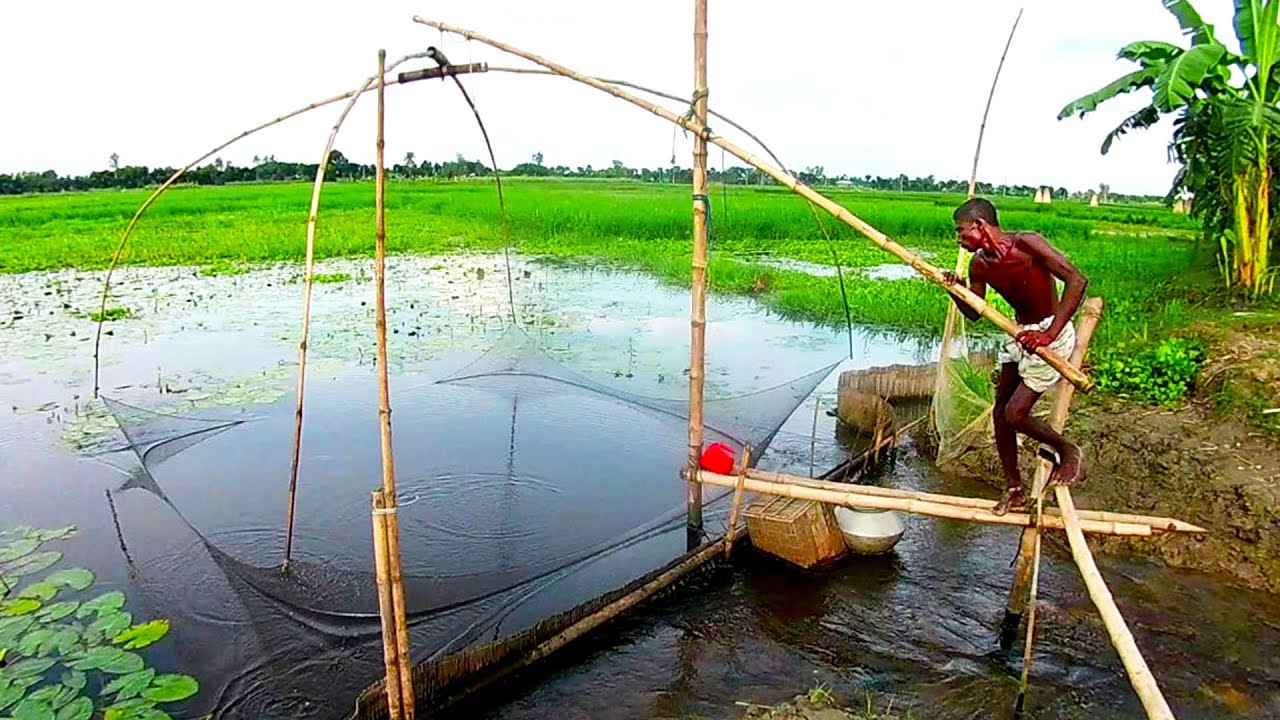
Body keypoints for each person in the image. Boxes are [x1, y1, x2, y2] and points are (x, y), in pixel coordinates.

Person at [942, 197, 1088, 515]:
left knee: (1015, 414)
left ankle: (1067, 449)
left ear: (980, 227)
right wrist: (958, 290)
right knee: (1000, 414)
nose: (959, 239)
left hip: (1051, 333)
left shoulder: (1027, 243)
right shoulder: (979, 263)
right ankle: (1014, 489)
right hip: (1020, 333)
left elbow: (1077, 281)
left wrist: (1048, 335)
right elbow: (974, 313)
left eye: (961, 231)